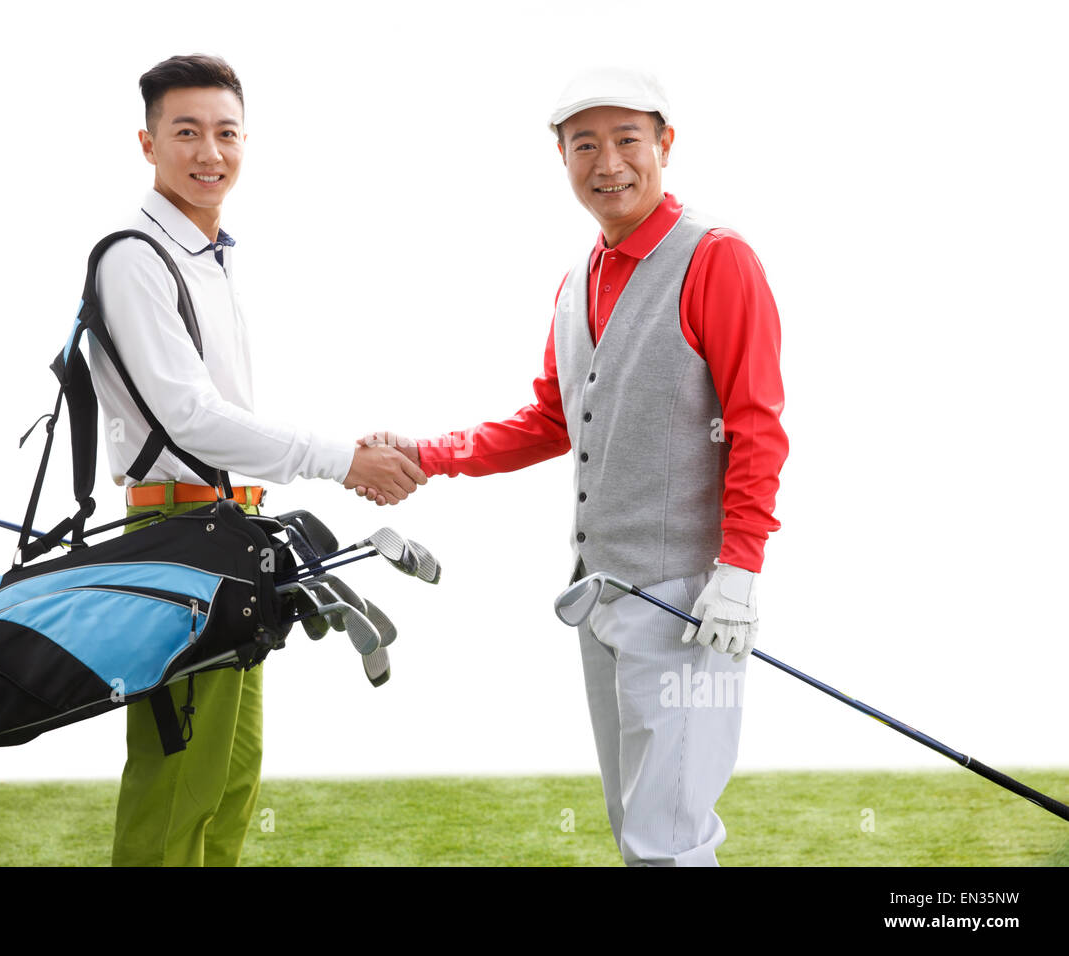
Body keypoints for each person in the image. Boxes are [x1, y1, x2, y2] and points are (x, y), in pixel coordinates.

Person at [357, 66, 788, 866]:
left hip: (689, 598)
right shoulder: (575, 281)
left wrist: (739, 572)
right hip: (599, 595)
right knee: (637, 833)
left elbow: (757, 426)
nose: (608, 162)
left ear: (665, 143)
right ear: (560, 157)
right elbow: (551, 420)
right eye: (584, 144)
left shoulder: (719, 260)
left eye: (628, 139)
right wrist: (427, 453)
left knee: (672, 840)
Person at [88, 53, 426, 867]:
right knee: (179, 783)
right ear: (147, 142)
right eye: (187, 132)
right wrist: (342, 458)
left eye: (227, 133)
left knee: (230, 776)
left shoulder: (208, 256)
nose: (210, 152)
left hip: (225, 531)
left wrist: (340, 456)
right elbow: (192, 419)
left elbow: (222, 419)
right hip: (177, 539)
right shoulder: (135, 257)